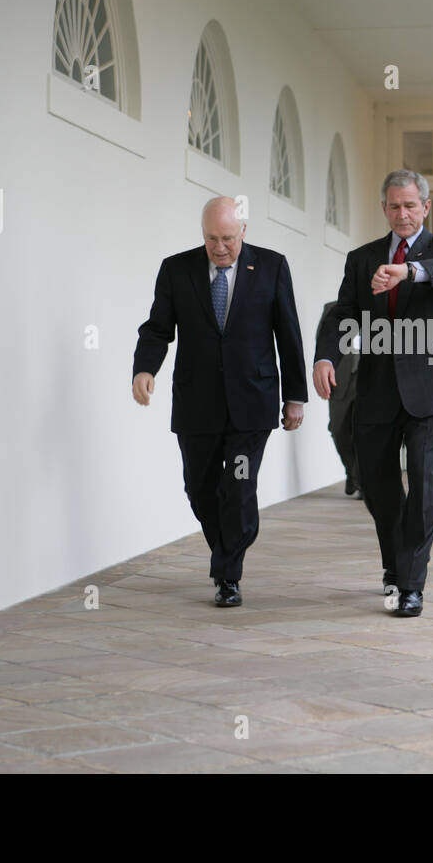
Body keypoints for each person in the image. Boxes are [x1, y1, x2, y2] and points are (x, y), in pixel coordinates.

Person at [314, 169, 433, 617]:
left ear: (426, 207)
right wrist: (326, 358)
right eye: (394, 206)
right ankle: (395, 564)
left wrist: (409, 271)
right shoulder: (362, 258)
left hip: (431, 390)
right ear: (383, 208)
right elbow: (341, 314)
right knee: (380, 488)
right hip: (378, 390)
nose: (402, 214)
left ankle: (411, 584)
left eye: (410, 206)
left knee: (424, 487)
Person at [131, 196, 307, 607]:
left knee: (239, 486)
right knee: (199, 487)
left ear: (243, 231)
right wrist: (144, 369)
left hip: (252, 405)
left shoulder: (271, 266)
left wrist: (294, 397)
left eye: (228, 237)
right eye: (211, 238)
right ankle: (227, 549)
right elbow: (157, 328)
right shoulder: (177, 269)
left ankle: (228, 575)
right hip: (197, 404)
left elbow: (289, 334)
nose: (220, 246)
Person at [317, 300, 362, 499]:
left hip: (368, 380)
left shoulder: (379, 310)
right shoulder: (332, 309)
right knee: (339, 431)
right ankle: (351, 472)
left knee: (365, 434)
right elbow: (323, 342)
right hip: (340, 379)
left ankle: (362, 482)